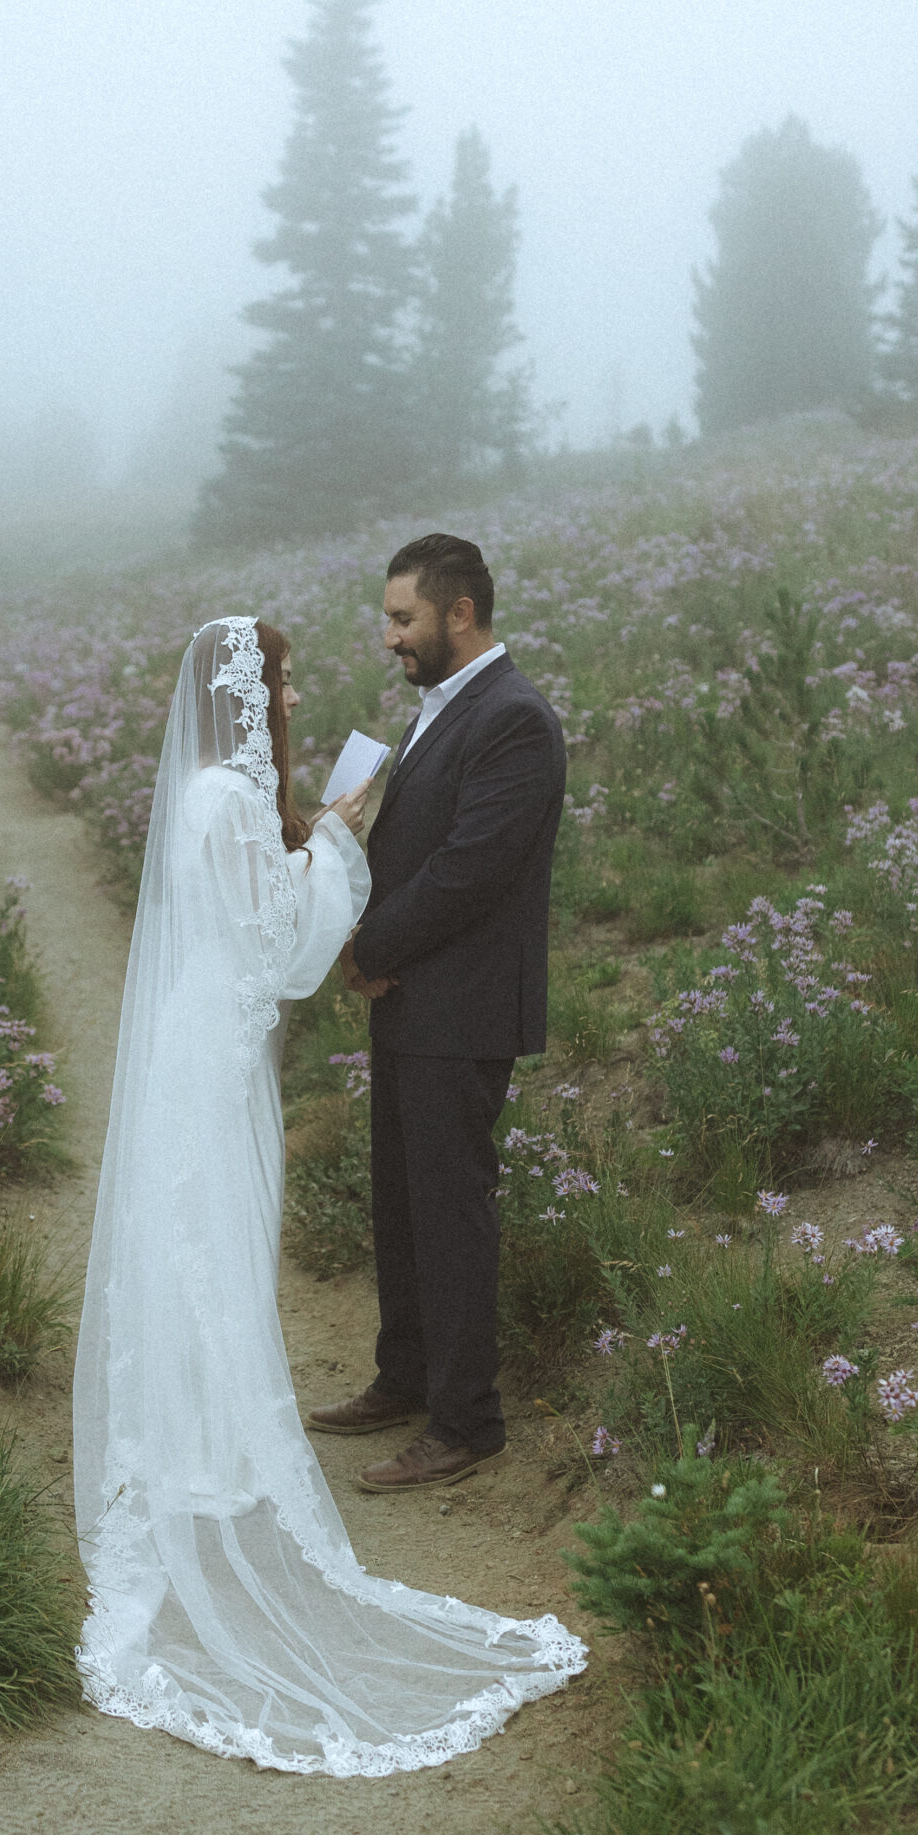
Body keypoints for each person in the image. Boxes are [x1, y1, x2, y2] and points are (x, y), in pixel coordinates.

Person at [72, 613, 583, 1775]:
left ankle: (197, 1444)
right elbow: (282, 954)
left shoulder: (210, 794)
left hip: (205, 1043)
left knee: (201, 1241)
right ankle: (212, 1454)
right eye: (282, 680)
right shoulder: (225, 799)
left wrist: (315, 849)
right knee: (215, 1239)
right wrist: (341, 846)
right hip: (219, 1049)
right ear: (243, 694)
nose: (293, 698)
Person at [306, 533, 565, 1490]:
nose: (389, 637)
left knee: (452, 1212)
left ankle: (467, 1420)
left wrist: (367, 948)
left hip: (464, 1011)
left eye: (403, 618)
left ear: (461, 614)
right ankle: (405, 1377)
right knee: (403, 1202)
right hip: (417, 1000)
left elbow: (469, 871)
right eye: (388, 617)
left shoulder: (515, 719)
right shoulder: (441, 709)